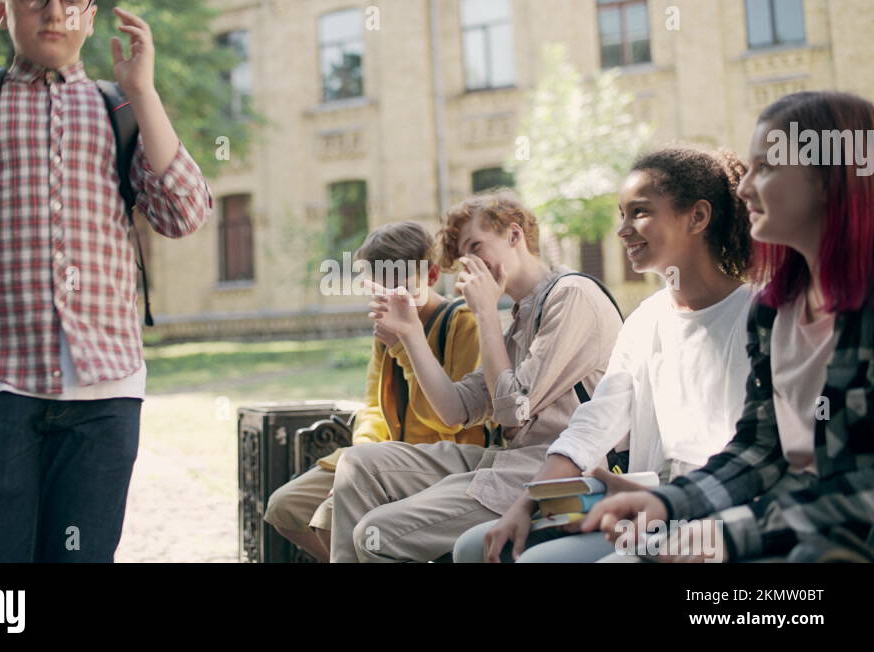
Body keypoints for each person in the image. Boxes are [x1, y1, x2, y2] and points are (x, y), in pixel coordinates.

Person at [0, 0, 213, 562]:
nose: (54, 13)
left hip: (104, 388)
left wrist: (145, 92)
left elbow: (184, 214)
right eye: (36, 1)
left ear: (91, 15)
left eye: (70, 3)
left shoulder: (122, 108)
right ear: (5, 11)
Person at [584, 90, 874, 563]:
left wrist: (730, 534)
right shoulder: (774, 312)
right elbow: (761, 449)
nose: (743, 187)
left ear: (829, 177)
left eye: (768, 167)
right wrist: (666, 503)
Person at [453, 147, 758, 563]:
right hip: (648, 511)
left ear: (698, 217)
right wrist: (524, 504)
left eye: (640, 212)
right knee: (475, 546)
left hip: (715, 516)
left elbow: (759, 452)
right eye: (622, 214)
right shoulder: (646, 319)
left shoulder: (758, 316)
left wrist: (667, 503)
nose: (623, 229)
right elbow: (593, 424)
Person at [329, 189, 623, 562]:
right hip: (504, 461)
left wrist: (485, 312)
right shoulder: (520, 316)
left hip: (551, 475)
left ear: (514, 236)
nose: (470, 265)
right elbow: (455, 410)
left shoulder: (573, 295)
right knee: (359, 466)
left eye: (475, 247)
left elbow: (513, 410)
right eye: (464, 258)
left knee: (377, 533)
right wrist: (409, 336)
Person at [263, 221, 485, 562]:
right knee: (285, 507)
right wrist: (359, 460)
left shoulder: (462, 324)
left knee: (329, 519)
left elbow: (451, 421)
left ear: (431, 275)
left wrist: (402, 348)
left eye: (401, 288)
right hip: (382, 457)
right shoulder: (385, 326)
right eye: (380, 289)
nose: (390, 299)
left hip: (444, 461)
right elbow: (374, 407)